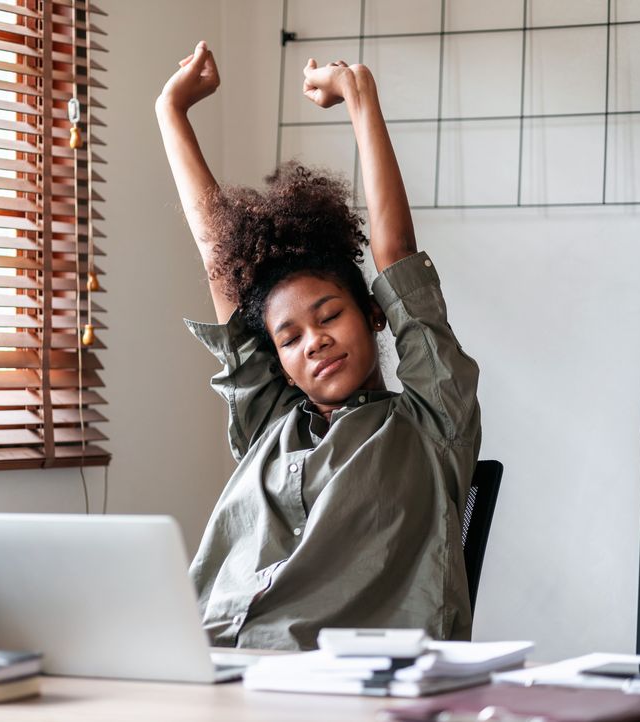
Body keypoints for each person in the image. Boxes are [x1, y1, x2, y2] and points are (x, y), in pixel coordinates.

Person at [155, 41, 481, 651]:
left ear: (374, 316)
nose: (315, 342)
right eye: (290, 337)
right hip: (209, 661)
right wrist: (170, 113)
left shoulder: (432, 422)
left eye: (329, 315)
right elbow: (222, 267)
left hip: (344, 689)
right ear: (275, 358)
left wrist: (359, 96)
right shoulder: (270, 424)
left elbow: (397, 253)